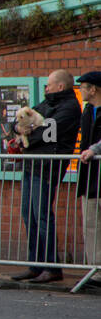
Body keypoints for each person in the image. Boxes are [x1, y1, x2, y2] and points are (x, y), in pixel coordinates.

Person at [10, 69, 80, 284]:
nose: (46, 88)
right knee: (28, 215)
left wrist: (26, 132)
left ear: (60, 86)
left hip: (49, 166)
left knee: (42, 217)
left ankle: (52, 267)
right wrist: (21, 130)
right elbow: (19, 123)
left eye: (49, 85)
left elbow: (48, 132)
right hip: (32, 164)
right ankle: (35, 265)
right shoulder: (46, 103)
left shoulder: (69, 107)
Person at [74, 71, 101, 283]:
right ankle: (95, 271)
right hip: (90, 178)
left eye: (83, 86)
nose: (81, 90)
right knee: (91, 225)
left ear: (93, 89)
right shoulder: (87, 111)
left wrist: (94, 149)